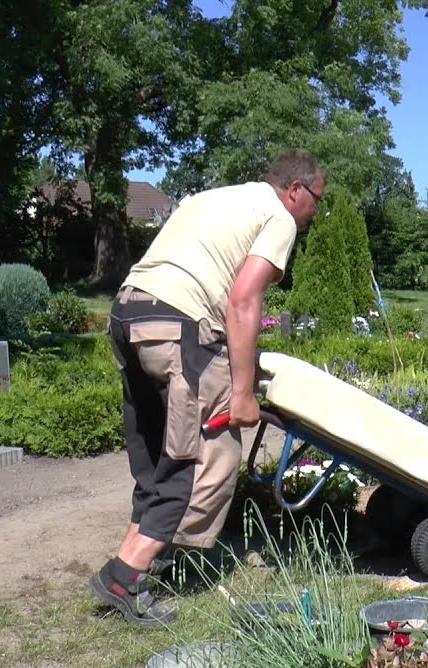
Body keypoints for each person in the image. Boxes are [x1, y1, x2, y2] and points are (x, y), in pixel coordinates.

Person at [91, 150, 326, 626]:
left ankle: (140, 562)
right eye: (317, 200)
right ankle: (125, 575)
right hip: (180, 326)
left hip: (128, 314)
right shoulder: (278, 217)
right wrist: (242, 392)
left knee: (157, 457)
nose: (316, 212)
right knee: (201, 456)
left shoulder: (214, 198)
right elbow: (243, 300)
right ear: (295, 190)